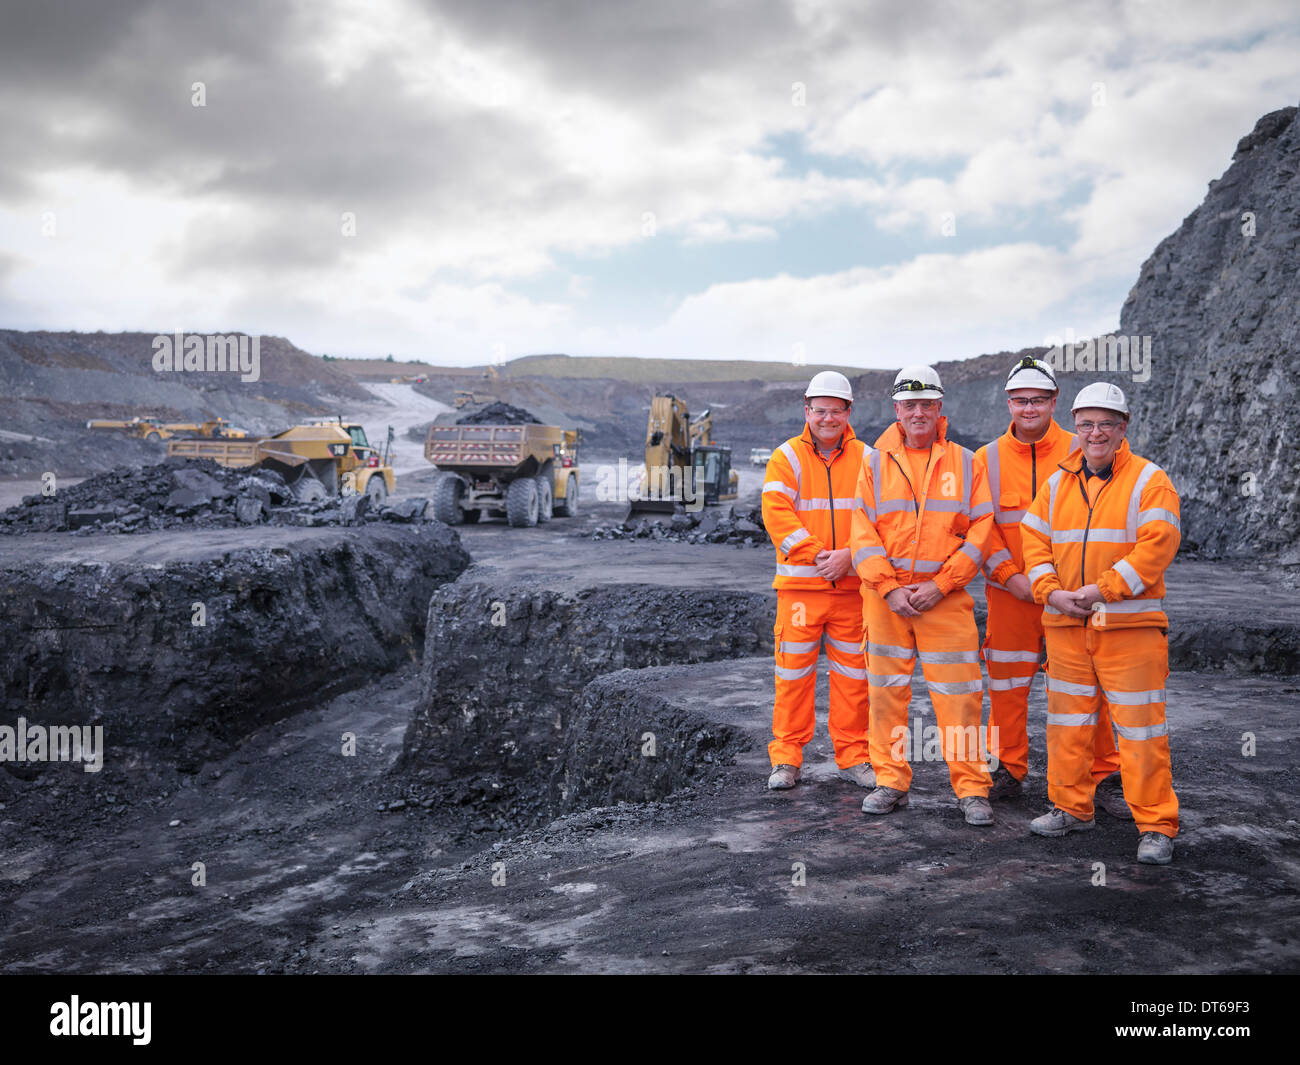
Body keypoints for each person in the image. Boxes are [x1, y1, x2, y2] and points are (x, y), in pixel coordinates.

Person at [1020, 382, 1181, 864]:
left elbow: (1158, 546)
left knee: (1140, 731)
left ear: (1122, 428)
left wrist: (1101, 590)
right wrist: (1052, 592)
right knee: (1067, 726)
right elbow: (1034, 542)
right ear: (1076, 426)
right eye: (1086, 424)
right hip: (1067, 629)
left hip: (1129, 631)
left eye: (1105, 424)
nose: (1095, 433)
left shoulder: (1150, 480)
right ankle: (1071, 807)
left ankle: (1156, 825)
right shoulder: (1057, 483)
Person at [974, 356, 1128, 816]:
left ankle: (1101, 770)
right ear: (1008, 402)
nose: (1029, 408)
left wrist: (1077, 588)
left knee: (1085, 685)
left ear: (1054, 401)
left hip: (1075, 597)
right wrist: (1012, 578)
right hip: (1012, 597)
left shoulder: (1084, 446)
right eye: (1021, 400)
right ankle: (1007, 765)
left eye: (1038, 400)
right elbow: (982, 528)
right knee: (1006, 681)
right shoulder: (986, 459)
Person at [849, 365, 996, 825]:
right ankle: (890, 781)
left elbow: (981, 532)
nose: (918, 413)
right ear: (896, 409)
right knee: (885, 695)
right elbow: (862, 533)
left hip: (945, 599)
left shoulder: (967, 463)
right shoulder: (873, 462)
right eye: (909, 405)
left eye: (926, 404)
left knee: (960, 697)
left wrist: (941, 584)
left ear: (939, 409)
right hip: (886, 599)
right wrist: (889, 588)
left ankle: (972, 789)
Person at [761, 371, 872, 790]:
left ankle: (854, 757)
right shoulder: (785, 457)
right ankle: (786, 759)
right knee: (792, 677)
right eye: (820, 410)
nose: (827, 418)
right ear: (807, 411)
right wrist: (820, 556)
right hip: (800, 592)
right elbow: (777, 514)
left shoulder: (869, 458)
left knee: (854, 679)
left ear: (848, 412)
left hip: (852, 592)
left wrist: (851, 557)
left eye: (835, 411)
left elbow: (880, 517)